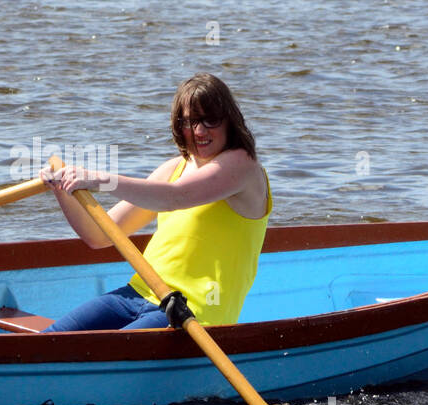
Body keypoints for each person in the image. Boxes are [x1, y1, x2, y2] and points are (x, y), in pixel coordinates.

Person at [40, 74, 271, 331]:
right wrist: (62, 189)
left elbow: (175, 197)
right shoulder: (174, 168)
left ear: (230, 121)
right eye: (190, 122)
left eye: (210, 119)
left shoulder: (243, 167)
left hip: (190, 313)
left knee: (108, 354)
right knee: (48, 339)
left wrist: (97, 179)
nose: (200, 131)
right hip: (138, 293)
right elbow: (99, 236)